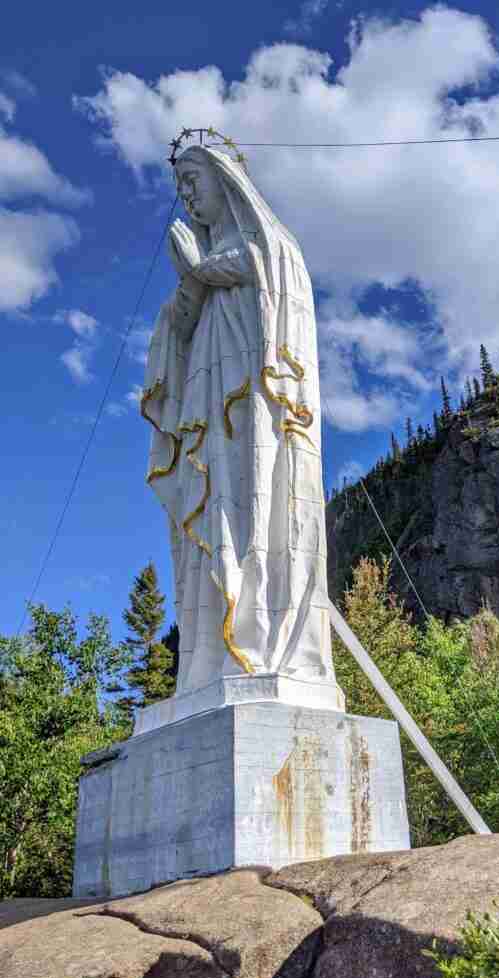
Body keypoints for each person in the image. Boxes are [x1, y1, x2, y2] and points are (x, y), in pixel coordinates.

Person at [141, 143, 340, 707]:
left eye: (193, 179)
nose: (187, 194)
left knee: (257, 510)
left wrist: (202, 270)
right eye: (180, 185)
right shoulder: (203, 265)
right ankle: (209, 660)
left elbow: (271, 282)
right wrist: (195, 280)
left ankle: (259, 644)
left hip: (255, 405)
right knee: (207, 519)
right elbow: (175, 328)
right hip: (206, 412)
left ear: (225, 180)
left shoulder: (271, 247)